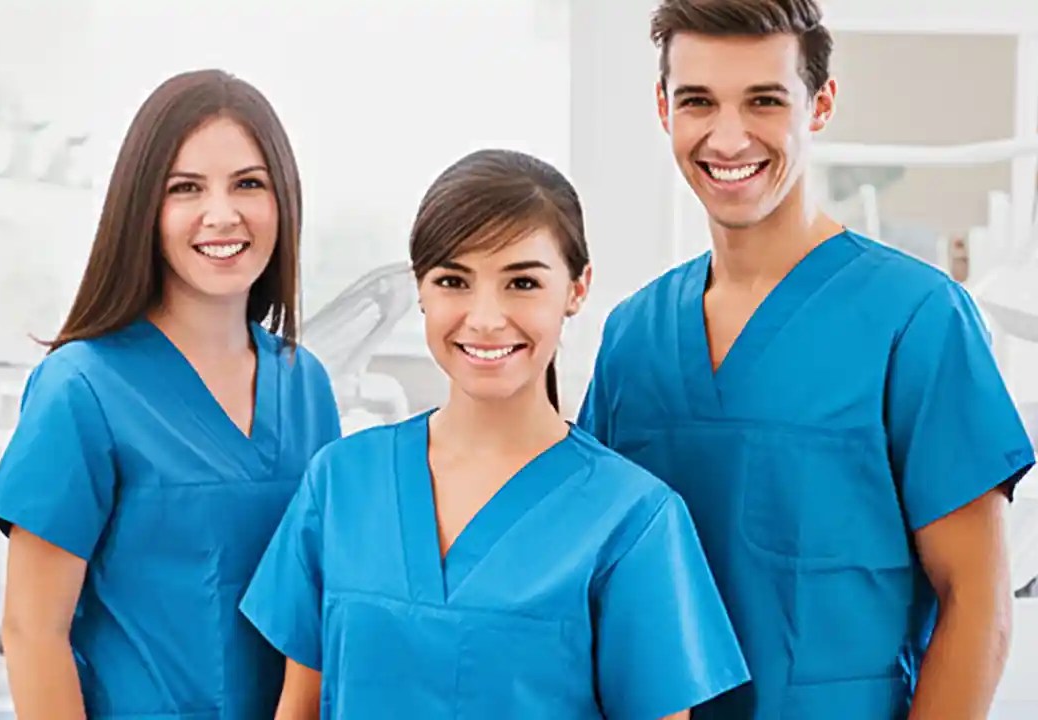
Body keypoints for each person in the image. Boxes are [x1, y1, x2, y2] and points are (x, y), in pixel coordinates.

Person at [577, 1, 1036, 718]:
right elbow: (594, 576)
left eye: (764, 101)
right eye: (698, 101)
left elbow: (977, 604)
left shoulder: (916, 319)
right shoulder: (635, 336)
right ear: (664, 109)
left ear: (819, 105)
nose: (729, 137)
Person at [240, 148, 750, 719]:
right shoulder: (341, 482)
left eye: (522, 282)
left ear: (577, 289)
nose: (484, 318)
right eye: (453, 280)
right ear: (420, 289)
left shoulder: (634, 520)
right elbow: (299, 707)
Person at [0, 69, 341, 719]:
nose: (222, 214)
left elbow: (316, 612)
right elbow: (33, 632)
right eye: (186, 188)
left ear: (283, 200)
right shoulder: (82, 388)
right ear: (143, 208)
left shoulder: (305, 384)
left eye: (248, 184)